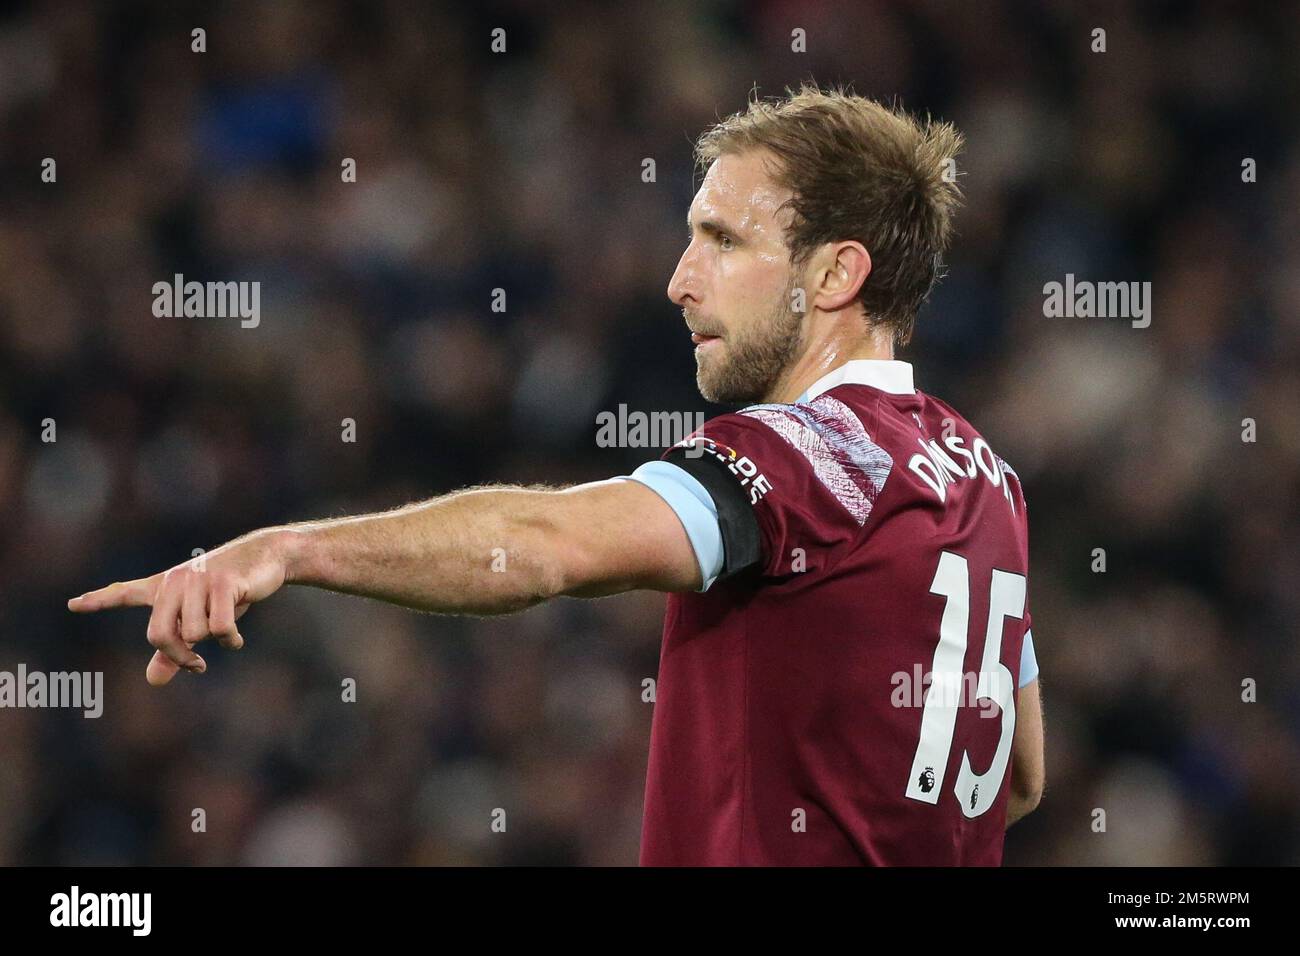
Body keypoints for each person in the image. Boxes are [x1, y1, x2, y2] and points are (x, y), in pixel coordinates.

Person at [68, 85, 1044, 865]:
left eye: (723, 239)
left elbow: (541, 546)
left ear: (833, 276)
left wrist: (288, 546)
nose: (679, 277)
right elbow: (1019, 773)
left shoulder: (806, 452)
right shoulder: (986, 481)